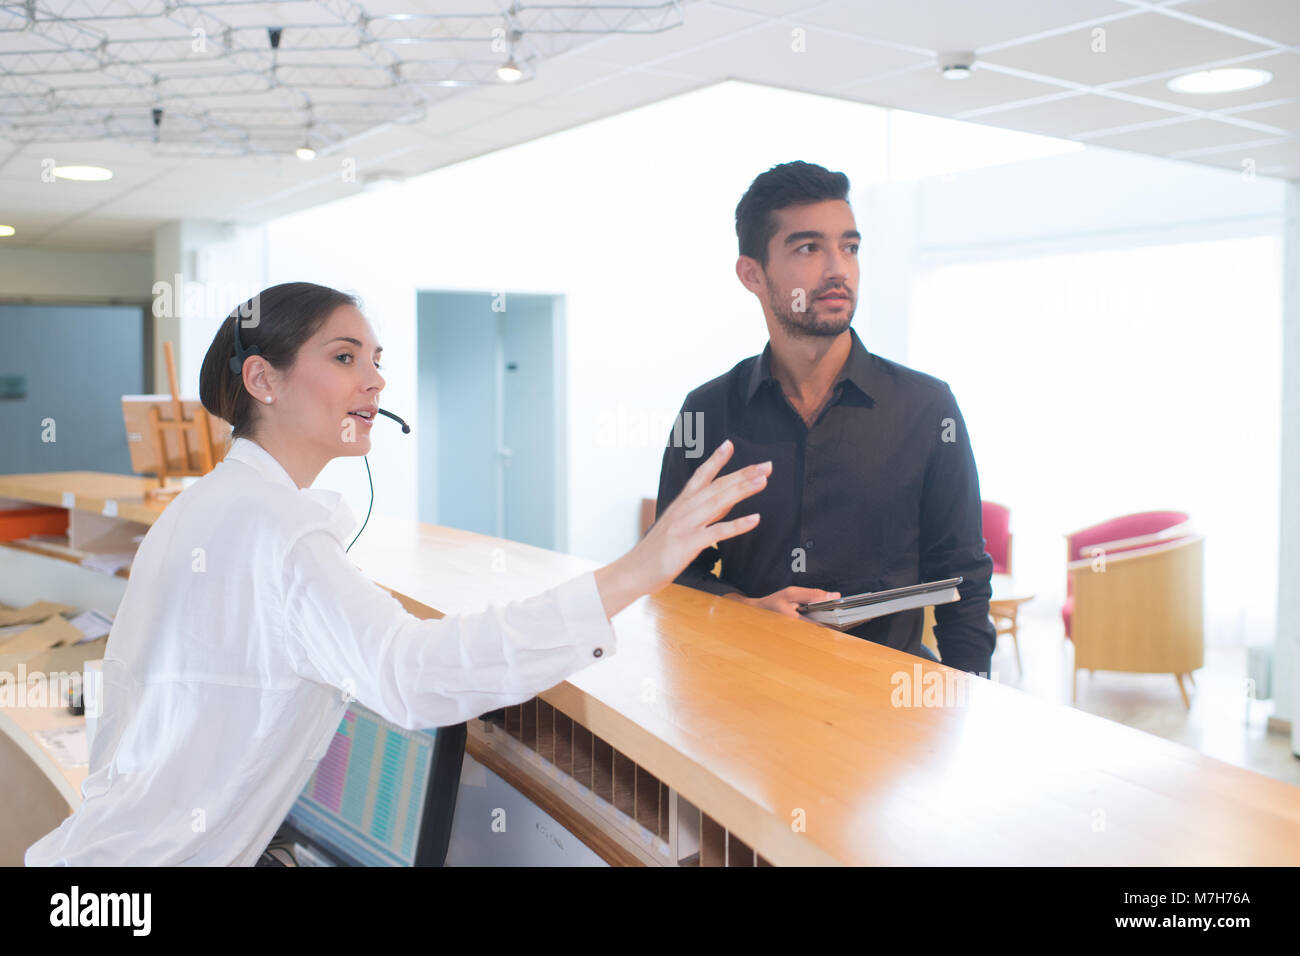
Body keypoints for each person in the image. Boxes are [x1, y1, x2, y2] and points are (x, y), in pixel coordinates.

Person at [25, 281, 768, 865]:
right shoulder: (275, 530)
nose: (374, 381)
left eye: (378, 361)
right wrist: (634, 573)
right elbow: (412, 676)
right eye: (345, 357)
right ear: (264, 379)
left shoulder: (207, 507)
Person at [654, 162, 996, 675]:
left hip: (890, 709)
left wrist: (971, 699)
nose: (838, 268)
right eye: (809, 248)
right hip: (749, 695)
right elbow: (672, 570)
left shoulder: (927, 408)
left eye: (850, 247)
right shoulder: (704, 412)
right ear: (752, 274)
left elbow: (962, 578)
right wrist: (743, 610)